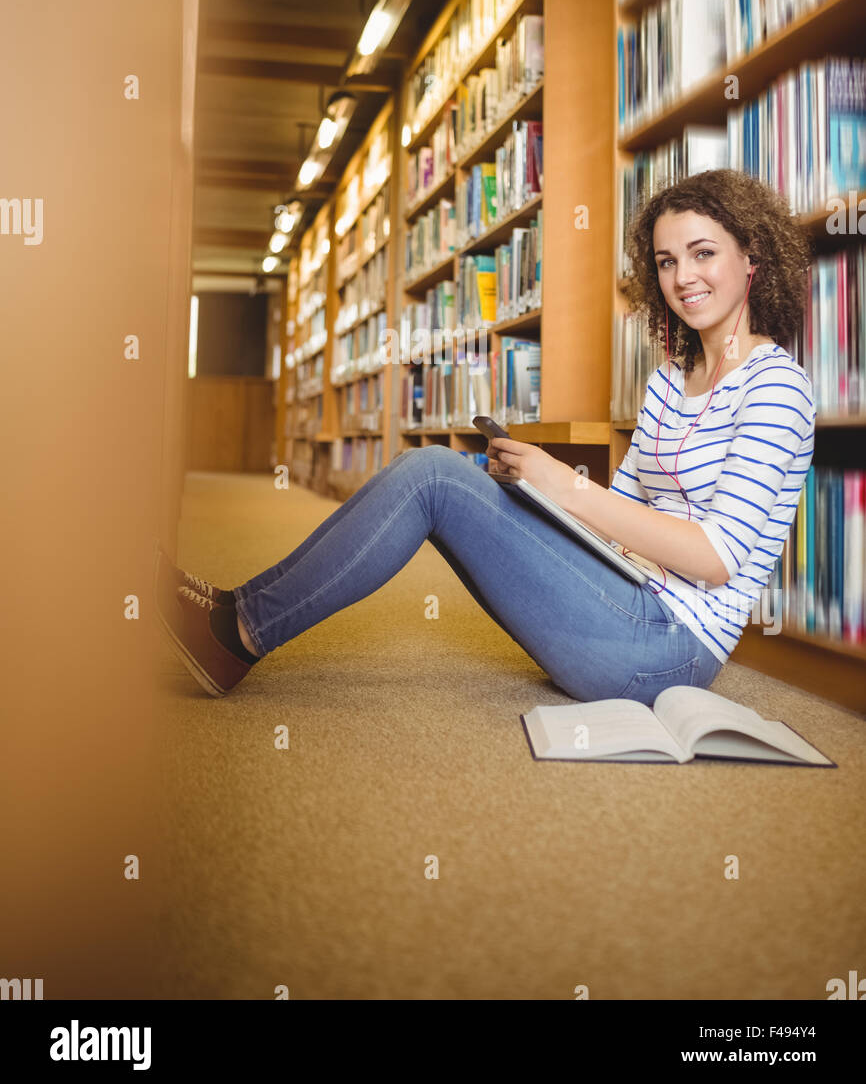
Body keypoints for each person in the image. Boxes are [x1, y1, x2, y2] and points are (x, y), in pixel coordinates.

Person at [155, 170, 816, 706]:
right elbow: (623, 519)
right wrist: (540, 495)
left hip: (665, 650)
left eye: (703, 254)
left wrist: (569, 490)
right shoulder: (671, 382)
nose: (682, 278)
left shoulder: (776, 387)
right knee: (450, 471)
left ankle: (238, 632)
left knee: (433, 476)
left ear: (752, 258)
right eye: (668, 261)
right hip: (620, 591)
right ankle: (239, 609)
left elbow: (715, 559)